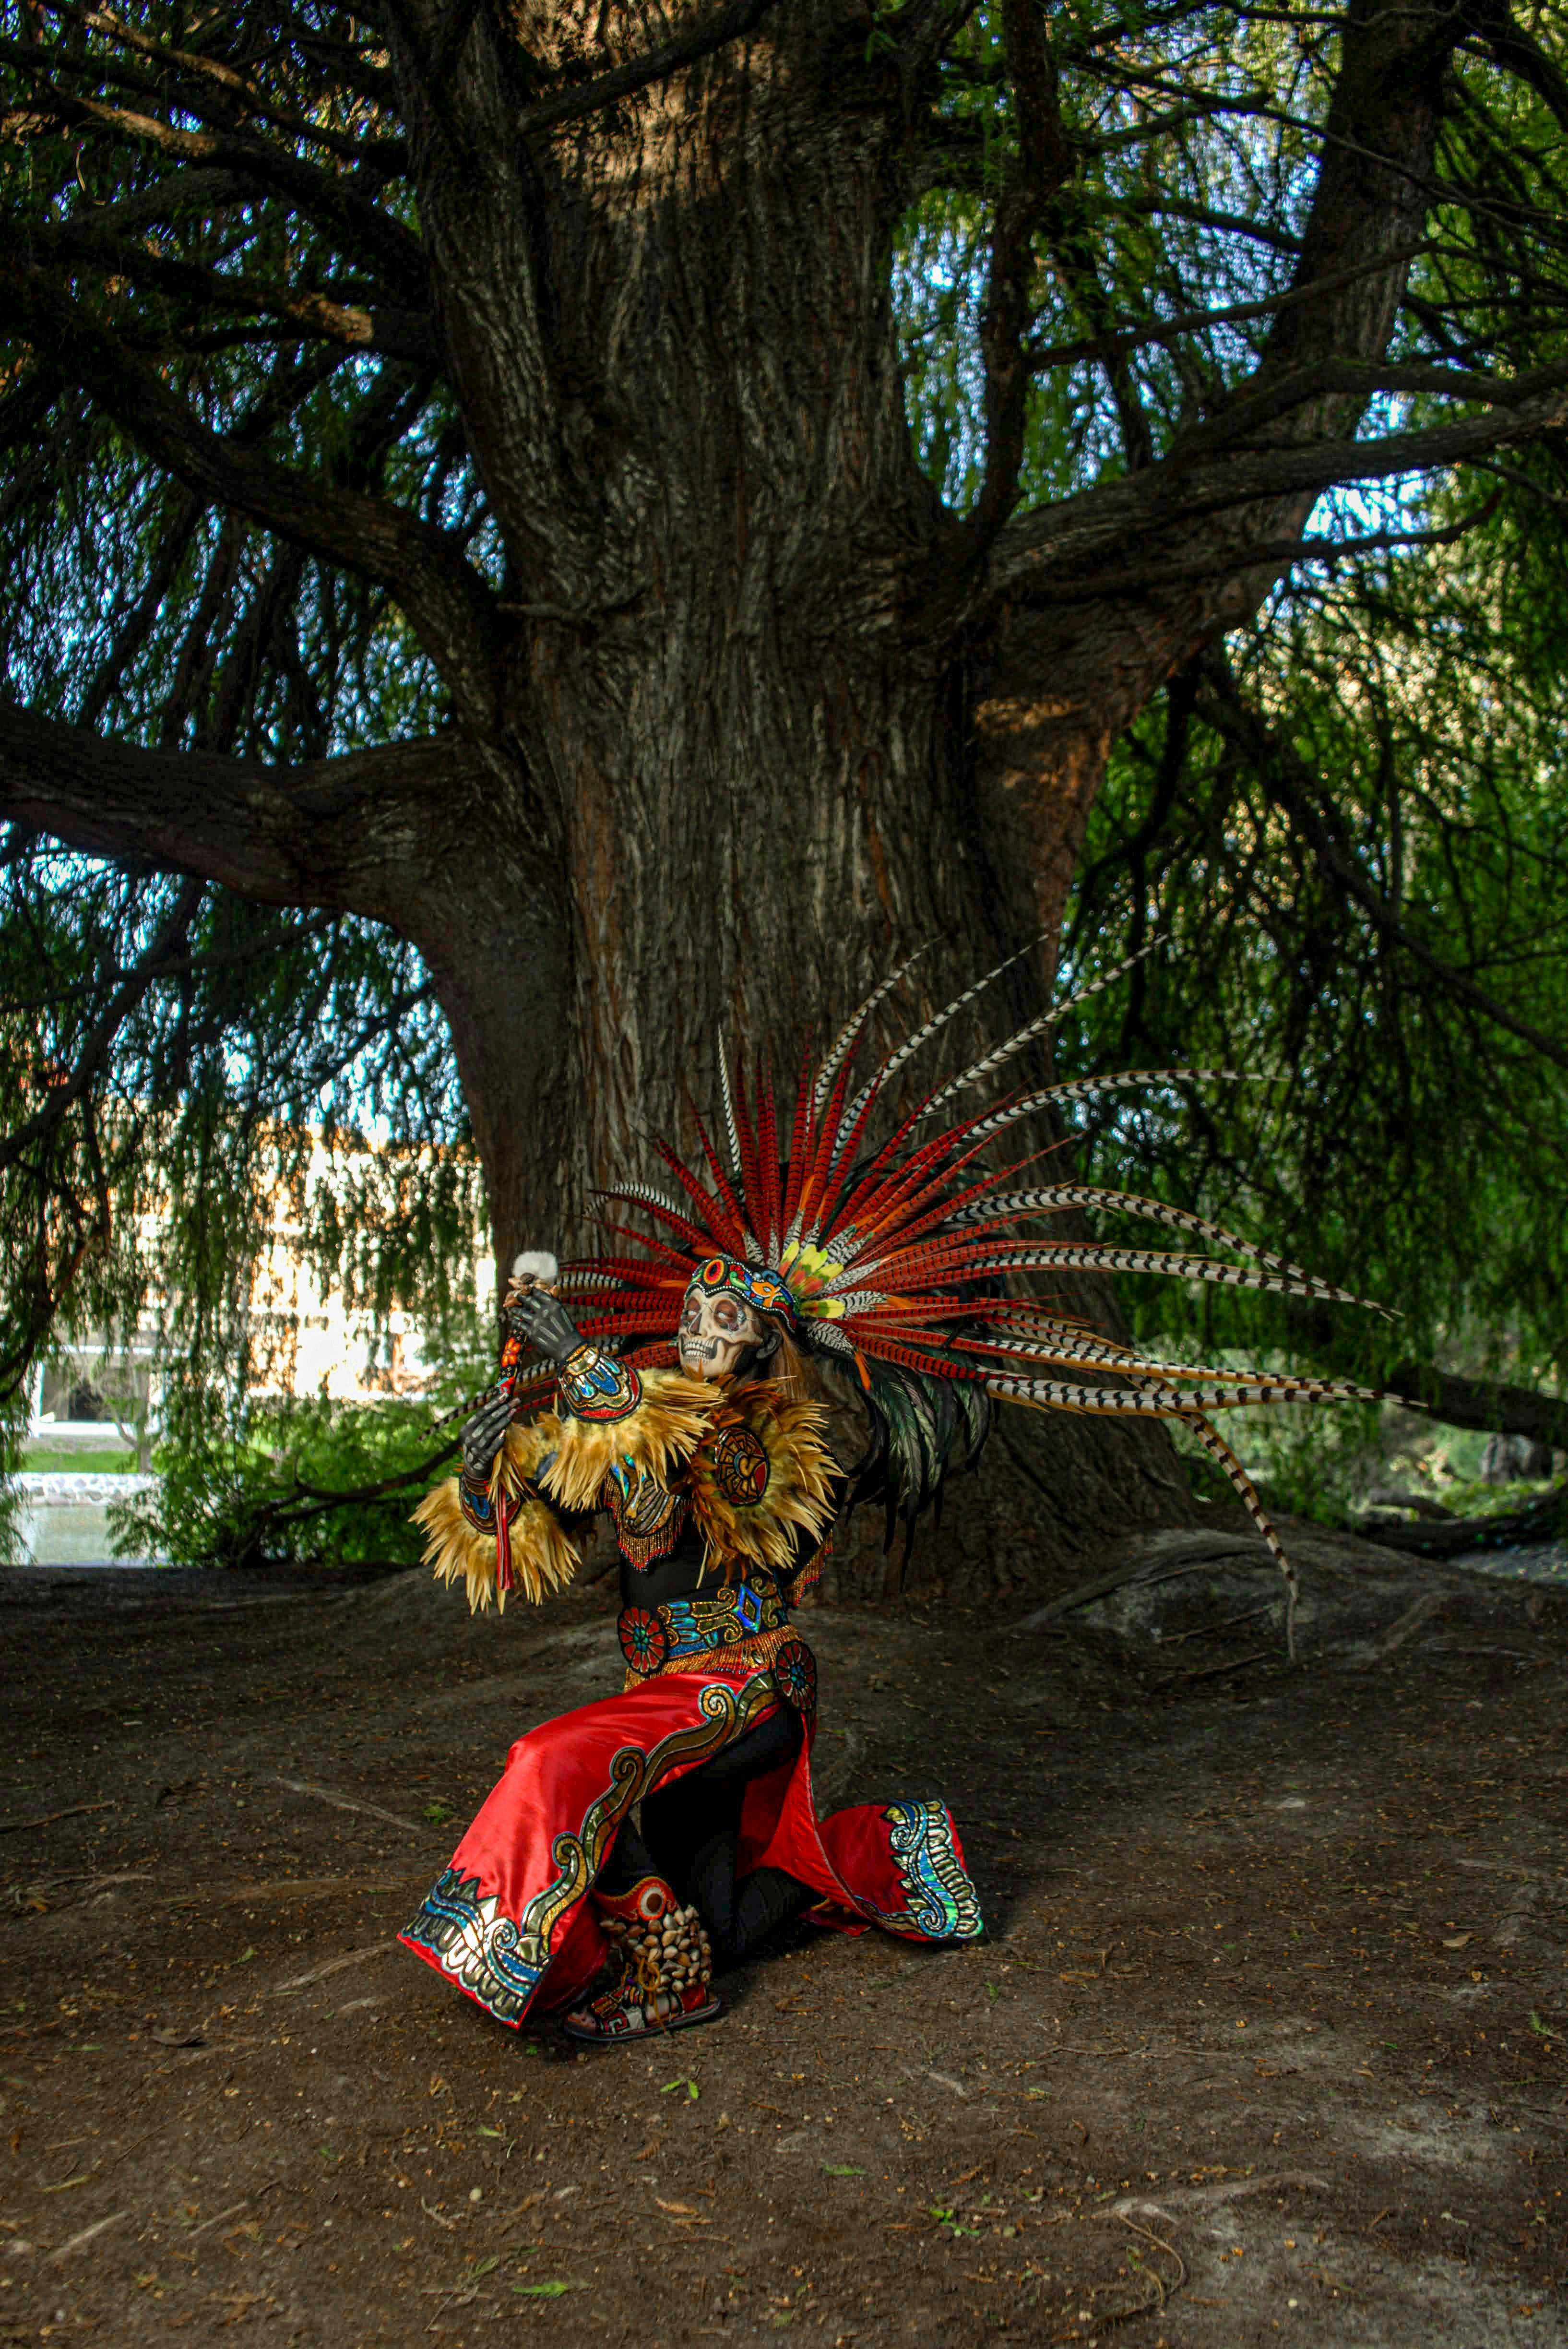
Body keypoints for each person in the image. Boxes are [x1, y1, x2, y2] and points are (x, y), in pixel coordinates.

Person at [401, 955, 1376, 2040]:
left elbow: (672, 1473)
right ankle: (884, 1858)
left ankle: (665, 1982)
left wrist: (581, 1368)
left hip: (744, 1692)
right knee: (717, 1911)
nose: (699, 1336)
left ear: (772, 1351)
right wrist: (489, 1474)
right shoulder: (641, 1413)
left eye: (728, 1328)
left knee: (565, 1761)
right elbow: (559, 1547)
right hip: (666, 1696)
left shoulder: (776, 1446)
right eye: (690, 1319)